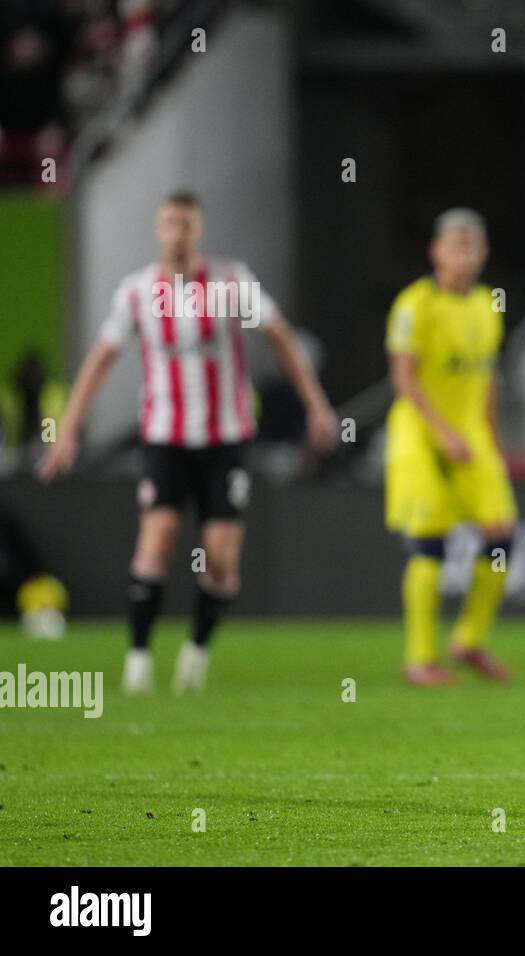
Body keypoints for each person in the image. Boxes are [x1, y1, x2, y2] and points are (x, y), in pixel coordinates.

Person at [38, 191, 338, 693]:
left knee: (220, 559)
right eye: (170, 223)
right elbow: (99, 362)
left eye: (187, 224)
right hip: (164, 440)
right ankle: (138, 659)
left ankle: (195, 654)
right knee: (155, 545)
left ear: (199, 231)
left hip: (225, 440)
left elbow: (280, 337)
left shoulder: (230, 281)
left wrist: (317, 403)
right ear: (158, 229)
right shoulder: (136, 292)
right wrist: (67, 430)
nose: (178, 233)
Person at [384, 209, 517, 686]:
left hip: (471, 434)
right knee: (429, 544)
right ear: (435, 250)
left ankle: (469, 640)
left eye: (473, 246)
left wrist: (494, 442)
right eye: (456, 244)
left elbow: (488, 379)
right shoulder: (414, 304)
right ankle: (420, 658)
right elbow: (404, 379)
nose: (465, 254)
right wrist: (441, 433)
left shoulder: (487, 304)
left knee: (502, 536)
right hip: (421, 433)